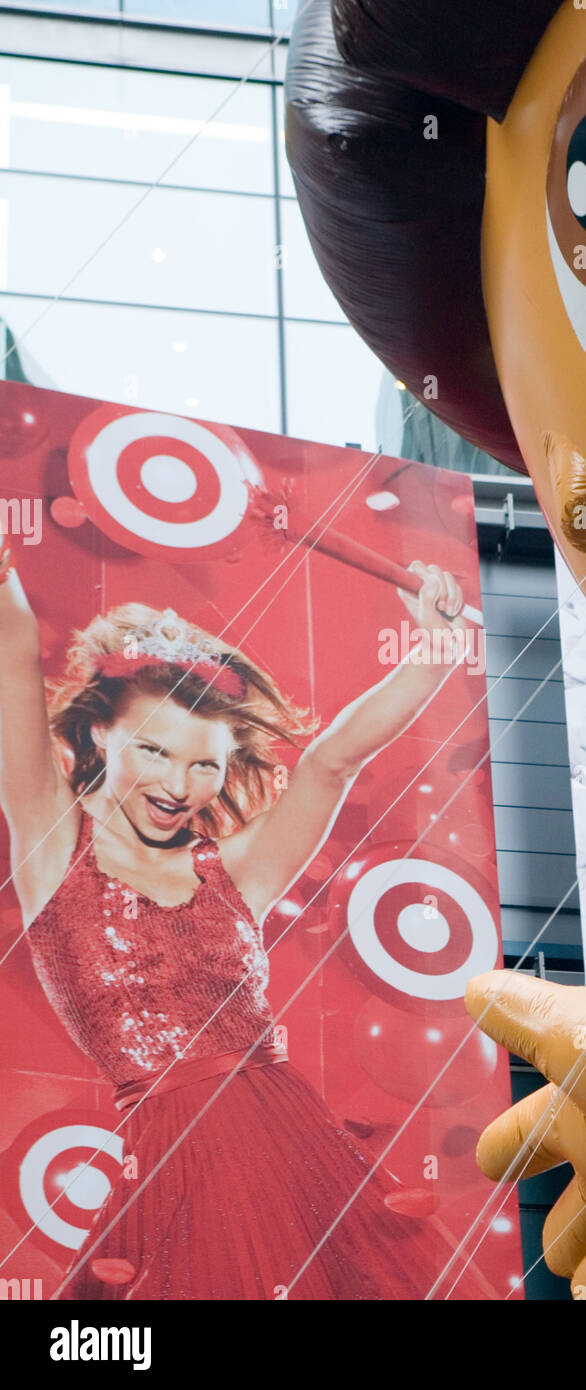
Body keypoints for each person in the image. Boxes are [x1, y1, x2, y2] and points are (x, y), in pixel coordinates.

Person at [0, 532, 494, 1299]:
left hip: (302, 1154)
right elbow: (11, 641)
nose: (180, 784)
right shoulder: (50, 839)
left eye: (206, 764)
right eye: (156, 751)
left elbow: (332, 760)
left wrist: (435, 649)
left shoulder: (235, 870)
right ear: (100, 731)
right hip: (171, 1171)